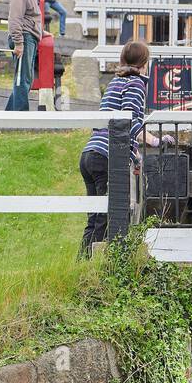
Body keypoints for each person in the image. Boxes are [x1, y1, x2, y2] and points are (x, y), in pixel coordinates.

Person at [77, 39, 166, 256]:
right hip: (107, 155)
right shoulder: (136, 84)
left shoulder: (116, 83)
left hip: (91, 153)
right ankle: (94, 264)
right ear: (145, 63)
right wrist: (155, 141)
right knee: (108, 215)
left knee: (95, 216)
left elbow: (112, 121)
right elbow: (127, 122)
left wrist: (134, 154)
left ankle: (83, 261)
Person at [5, 0, 45, 110]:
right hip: (23, 38)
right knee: (22, 80)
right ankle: (21, 117)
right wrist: (19, 43)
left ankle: (8, 116)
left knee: (25, 79)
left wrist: (42, 32)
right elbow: (15, 20)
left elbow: (31, 18)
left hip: (30, 38)